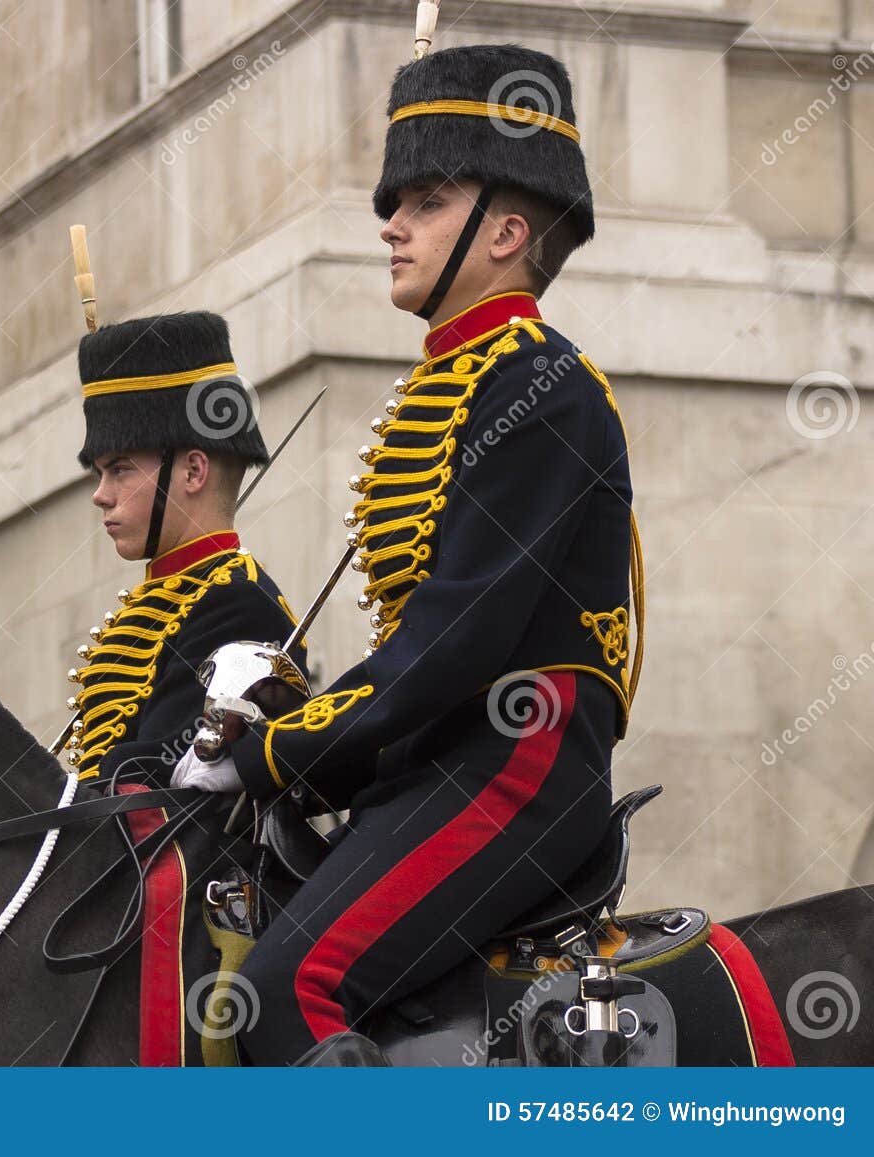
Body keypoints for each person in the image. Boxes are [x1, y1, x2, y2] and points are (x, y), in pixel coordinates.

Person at [169, 43, 645, 1066]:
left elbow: (452, 644)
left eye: (425, 201)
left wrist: (278, 749)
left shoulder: (543, 389)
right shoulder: (455, 386)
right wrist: (290, 732)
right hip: (439, 761)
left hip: (515, 760)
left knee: (285, 985)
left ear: (507, 230)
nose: (390, 223)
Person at [64, 310, 306, 789]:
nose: (101, 493)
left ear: (193, 471)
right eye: (99, 474)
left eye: (120, 469)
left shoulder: (234, 600)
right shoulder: (165, 595)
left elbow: (156, 782)